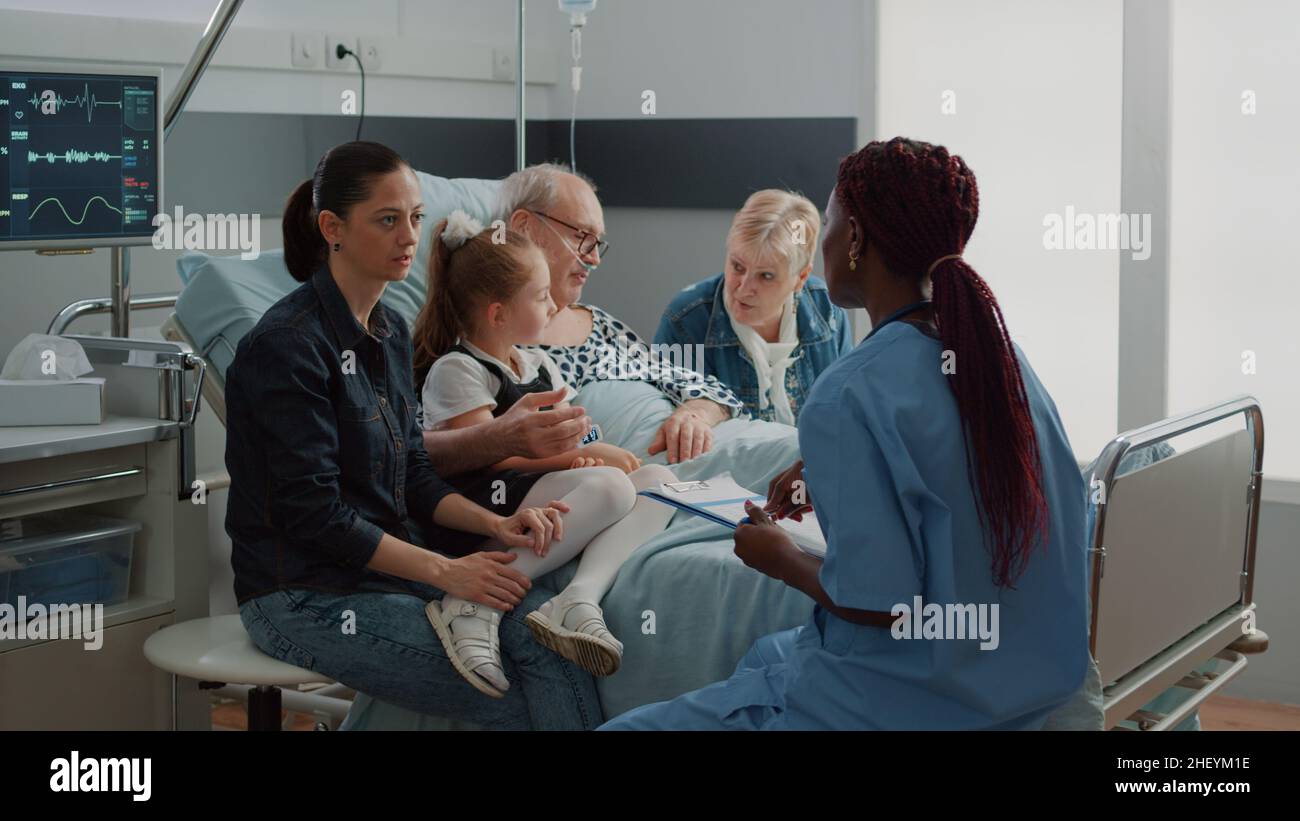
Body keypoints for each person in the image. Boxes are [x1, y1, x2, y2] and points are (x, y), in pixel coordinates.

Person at [601, 137, 1091, 730]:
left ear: (853, 238)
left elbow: (877, 603)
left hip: (908, 700)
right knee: (765, 658)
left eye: (829, 221)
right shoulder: (1002, 363)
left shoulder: (849, 390)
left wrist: (778, 558)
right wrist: (833, 467)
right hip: (1027, 683)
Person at [225, 141, 602, 730]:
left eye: (416, 219)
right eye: (387, 219)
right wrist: (445, 572)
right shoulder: (286, 347)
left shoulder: (390, 332)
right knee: (522, 695)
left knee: (549, 643)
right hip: (303, 595)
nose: (409, 236)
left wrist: (495, 526)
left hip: (389, 576)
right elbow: (315, 515)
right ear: (333, 228)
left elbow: (415, 471)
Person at [412, 210, 677, 693]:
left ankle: (578, 598)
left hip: (544, 492)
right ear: (498, 313)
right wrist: (587, 462)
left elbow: (577, 436)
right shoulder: (459, 370)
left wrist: (596, 449)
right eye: (540, 296)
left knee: (662, 484)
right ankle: (474, 603)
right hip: (488, 509)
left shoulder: (536, 363)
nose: (555, 304)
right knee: (611, 486)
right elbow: (488, 461)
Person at [655, 189, 852, 424]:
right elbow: (665, 424)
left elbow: (846, 412)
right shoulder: (685, 322)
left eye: (766, 276)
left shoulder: (828, 313)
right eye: (738, 266)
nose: (744, 288)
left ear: (801, 278)